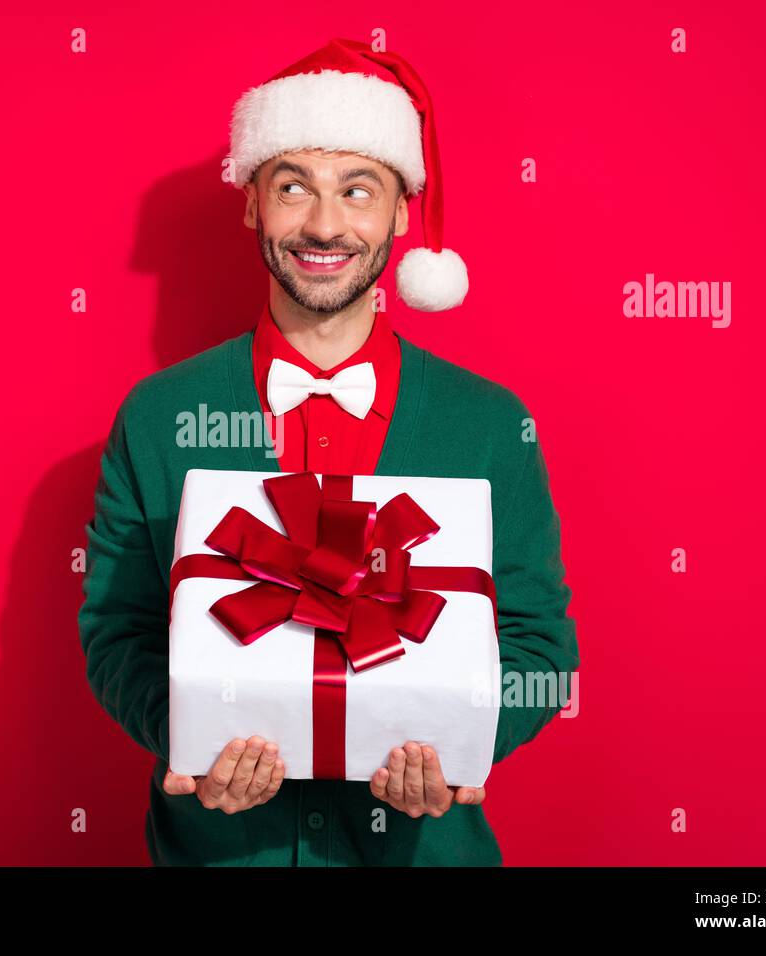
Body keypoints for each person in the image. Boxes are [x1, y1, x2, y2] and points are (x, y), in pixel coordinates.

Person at [78, 37, 578, 866]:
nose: (323, 224)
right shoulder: (161, 415)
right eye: (292, 187)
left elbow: (538, 645)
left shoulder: (491, 424)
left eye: (358, 190)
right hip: (219, 851)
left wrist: (460, 740)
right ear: (250, 204)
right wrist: (188, 736)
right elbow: (118, 629)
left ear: (400, 214)